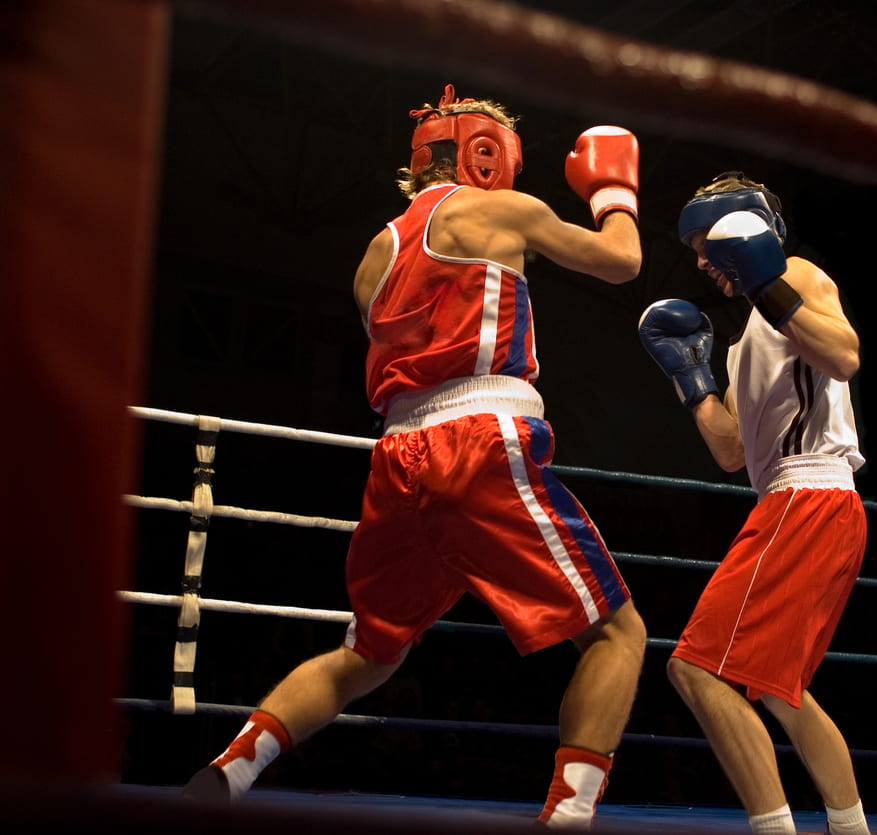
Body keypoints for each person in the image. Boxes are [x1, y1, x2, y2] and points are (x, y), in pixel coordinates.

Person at [182, 83, 648, 830]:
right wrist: (613, 189)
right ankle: (569, 817)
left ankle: (231, 767)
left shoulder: (375, 254)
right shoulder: (500, 210)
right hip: (480, 441)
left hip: (396, 456)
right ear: (487, 155)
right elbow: (622, 262)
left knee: (368, 651)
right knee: (619, 634)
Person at [638, 172, 871, 835]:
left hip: (809, 495)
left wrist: (773, 284)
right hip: (798, 501)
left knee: (695, 669)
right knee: (777, 687)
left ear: (749, 227)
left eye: (710, 246)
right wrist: (692, 379)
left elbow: (846, 355)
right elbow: (731, 451)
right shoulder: (745, 342)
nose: (705, 262)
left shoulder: (798, 276)